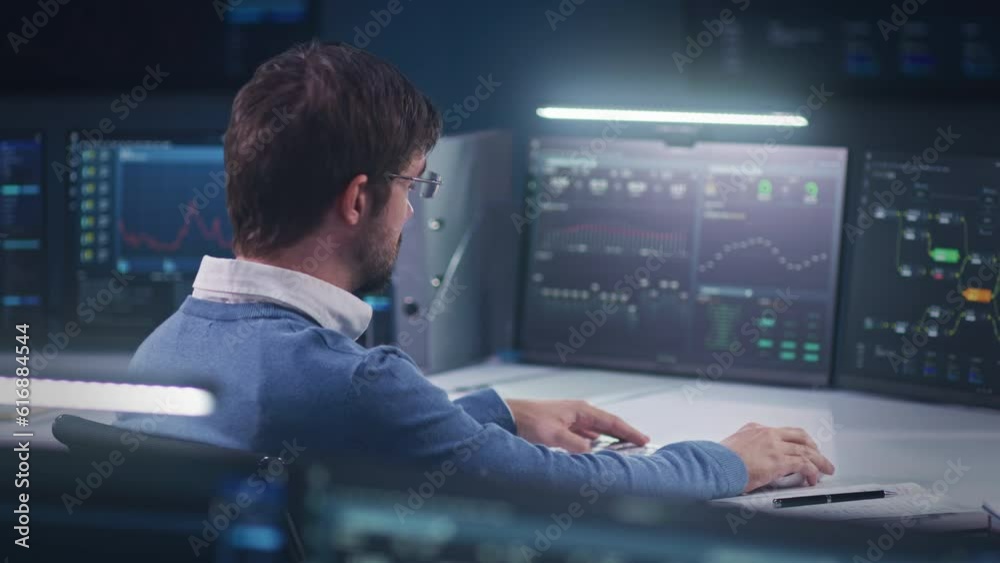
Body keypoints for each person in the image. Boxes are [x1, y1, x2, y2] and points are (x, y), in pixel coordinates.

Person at [117, 41, 833, 500]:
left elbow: (344, 429)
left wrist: (497, 412)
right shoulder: (356, 382)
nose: (409, 213)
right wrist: (729, 459)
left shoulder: (162, 354)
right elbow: (574, 489)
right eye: (412, 187)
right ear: (360, 198)